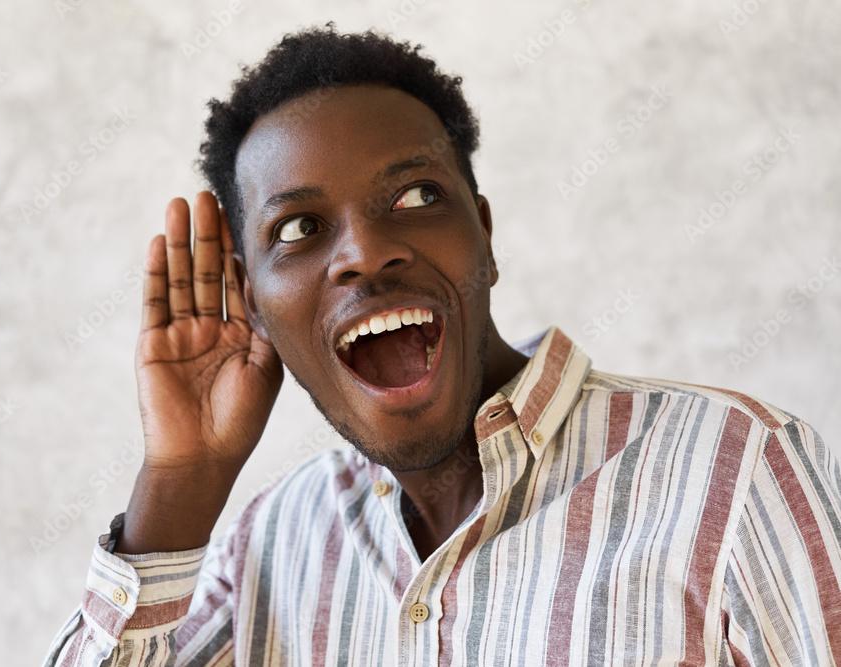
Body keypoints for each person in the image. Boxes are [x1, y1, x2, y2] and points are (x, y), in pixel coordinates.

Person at [43, 24, 841, 666]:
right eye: (299, 228)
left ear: (484, 235)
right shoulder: (270, 541)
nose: (362, 252)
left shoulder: (736, 470)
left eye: (417, 194)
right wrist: (181, 480)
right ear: (253, 306)